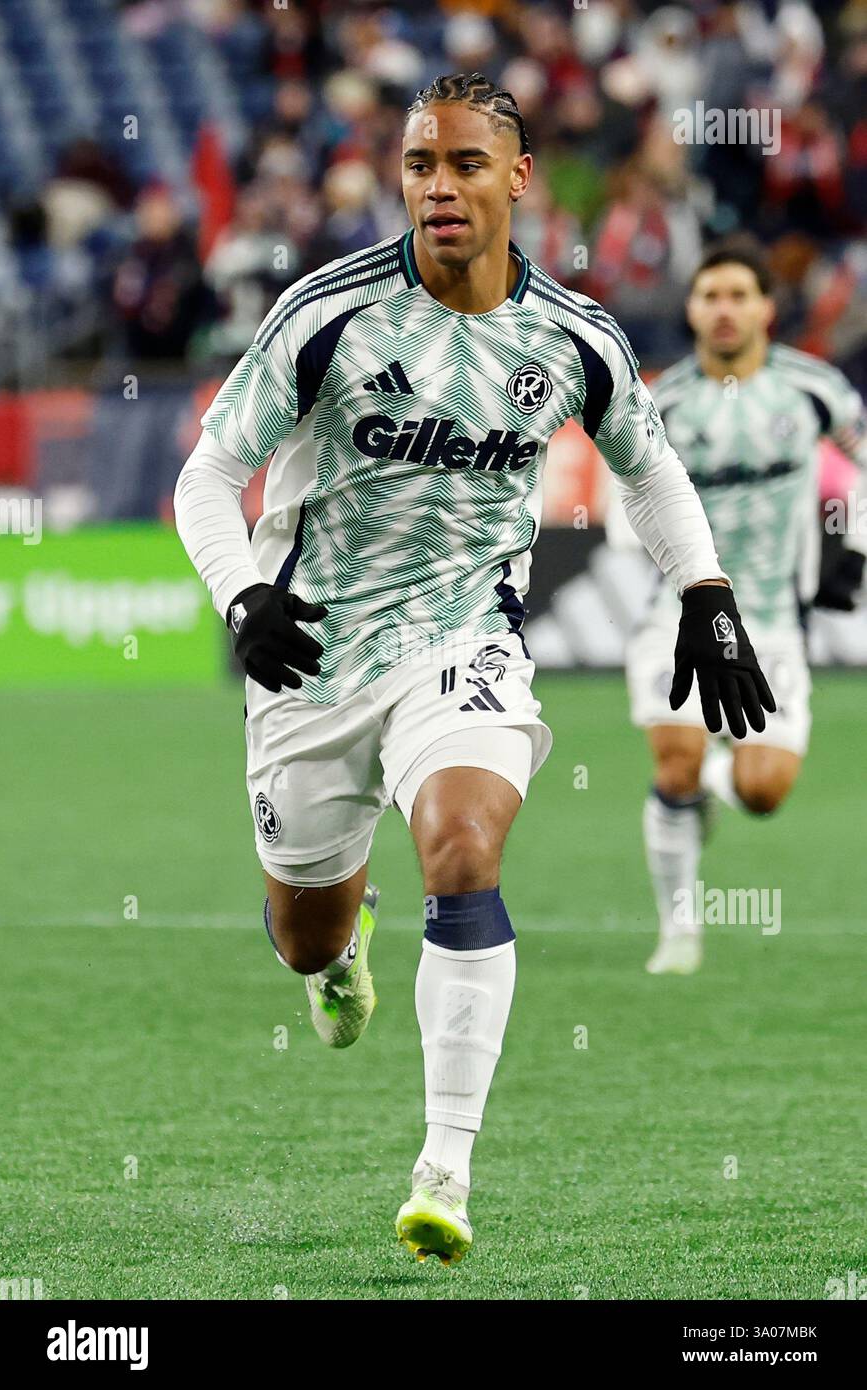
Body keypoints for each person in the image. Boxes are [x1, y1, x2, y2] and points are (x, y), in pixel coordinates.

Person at [174, 74, 772, 1265]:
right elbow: (207, 474)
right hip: (315, 651)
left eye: (461, 164)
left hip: (465, 638)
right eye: (417, 165)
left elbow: (647, 469)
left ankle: (445, 1164)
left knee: (463, 844)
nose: (437, 187)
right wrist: (240, 591)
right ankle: (341, 955)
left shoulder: (573, 336)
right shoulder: (326, 313)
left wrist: (705, 590)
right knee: (300, 928)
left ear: (517, 178)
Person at [625, 240, 866, 977]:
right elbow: (626, 494)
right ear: (692, 309)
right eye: (710, 296)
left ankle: (702, 790)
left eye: (739, 295)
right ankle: (679, 930)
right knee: (676, 763)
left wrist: (851, 548)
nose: (724, 309)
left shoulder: (815, 390)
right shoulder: (659, 402)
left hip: (772, 622)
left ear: (766, 307)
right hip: (680, 614)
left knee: (761, 791)